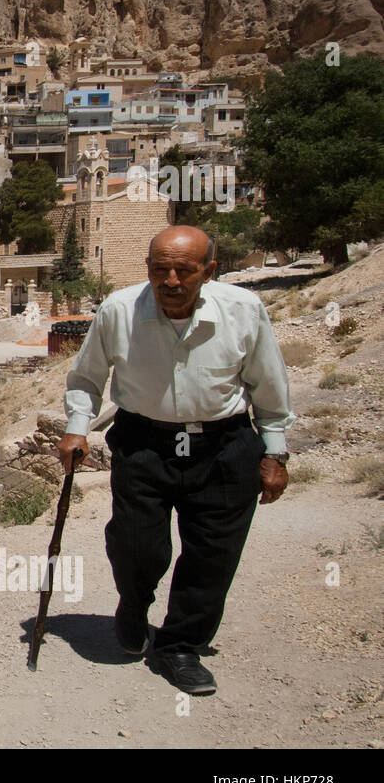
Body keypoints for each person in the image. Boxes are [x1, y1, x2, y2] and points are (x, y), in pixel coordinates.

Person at [57, 225, 294, 695]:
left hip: (224, 446)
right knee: (136, 545)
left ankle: (179, 646)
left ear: (209, 271)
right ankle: (133, 603)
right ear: (147, 269)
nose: (170, 281)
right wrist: (76, 428)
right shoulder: (119, 310)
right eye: (159, 269)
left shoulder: (243, 310)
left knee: (212, 555)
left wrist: (275, 450)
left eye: (184, 271)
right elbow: (85, 378)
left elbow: (269, 384)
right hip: (145, 443)